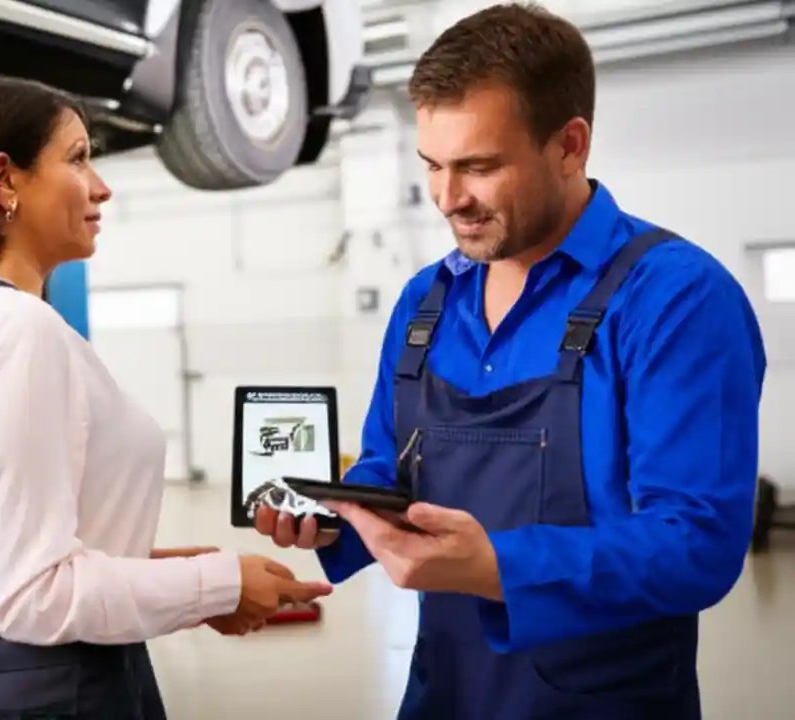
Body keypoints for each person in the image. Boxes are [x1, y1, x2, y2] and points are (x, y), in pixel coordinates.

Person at [254, 4, 766, 719]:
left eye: (480, 166)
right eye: (433, 165)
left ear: (570, 146)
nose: (448, 198)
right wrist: (337, 516)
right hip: (442, 695)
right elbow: (386, 469)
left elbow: (697, 544)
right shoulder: (424, 303)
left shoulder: (674, 298)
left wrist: (498, 566)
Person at [0, 77, 332, 720]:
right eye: (78, 157)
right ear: (4, 180)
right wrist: (220, 582)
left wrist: (184, 584)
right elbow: (31, 594)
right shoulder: (16, 328)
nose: (101, 186)